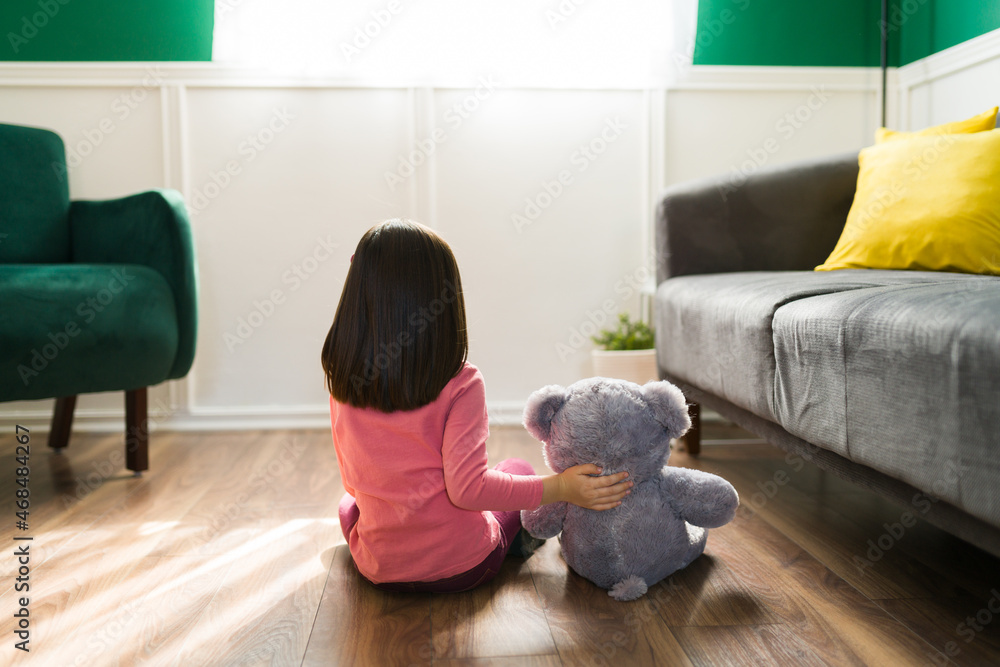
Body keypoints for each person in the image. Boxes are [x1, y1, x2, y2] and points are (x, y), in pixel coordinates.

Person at [322, 218, 632, 593]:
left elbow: (353, 484)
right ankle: (515, 542)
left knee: (348, 507)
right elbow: (467, 491)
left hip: (380, 570)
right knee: (516, 467)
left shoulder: (343, 380)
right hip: (464, 568)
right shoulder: (461, 382)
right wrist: (562, 486)